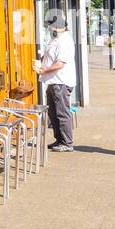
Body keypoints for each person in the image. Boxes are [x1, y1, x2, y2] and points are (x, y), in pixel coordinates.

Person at [36, 13, 77, 152]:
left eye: (51, 26)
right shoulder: (56, 39)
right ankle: (59, 140)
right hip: (53, 82)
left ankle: (67, 143)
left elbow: (60, 64)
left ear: (59, 27)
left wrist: (43, 70)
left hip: (61, 82)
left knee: (61, 113)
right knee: (53, 113)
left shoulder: (64, 41)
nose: (49, 28)